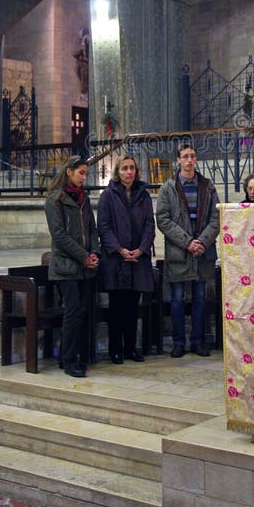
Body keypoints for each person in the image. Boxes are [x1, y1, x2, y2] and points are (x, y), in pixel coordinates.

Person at [156, 141, 220, 358]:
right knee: (177, 299)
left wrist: (201, 242)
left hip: (203, 252)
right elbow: (163, 220)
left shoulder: (208, 187)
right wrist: (187, 242)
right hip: (179, 252)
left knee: (201, 298)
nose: (189, 160)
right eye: (185, 156)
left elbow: (217, 217)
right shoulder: (168, 188)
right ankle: (178, 342)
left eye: (193, 156)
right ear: (178, 160)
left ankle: (198, 341)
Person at [44, 156, 99, 378]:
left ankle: (80, 355)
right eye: (81, 173)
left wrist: (94, 252)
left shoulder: (83, 199)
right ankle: (68, 360)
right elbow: (59, 235)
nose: (84, 177)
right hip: (64, 267)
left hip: (85, 267)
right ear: (69, 171)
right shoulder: (54, 200)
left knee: (83, 311)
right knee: (73, 311)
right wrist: (84, 256)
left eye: (86, 173)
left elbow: (92, 230)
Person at [97, 154, 155, 364]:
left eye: (132, 168)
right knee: (117, 307)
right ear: (117, 172)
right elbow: (103, 227)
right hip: (117, 260)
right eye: (124, 168)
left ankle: (131, 348)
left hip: (138, 259)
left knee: (133, 307)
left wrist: (141, 249)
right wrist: (120, 250)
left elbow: (150, 224)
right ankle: (115, 350)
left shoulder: (144, 195)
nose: (129, 172)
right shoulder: (108, 196)